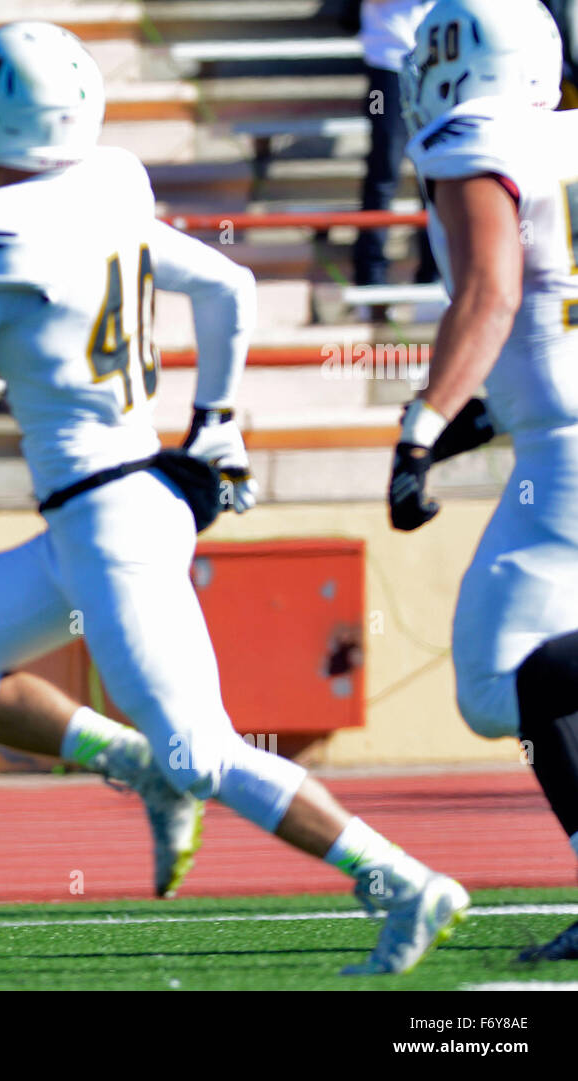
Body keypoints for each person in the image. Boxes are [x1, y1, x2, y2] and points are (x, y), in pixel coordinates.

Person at [0, 21, 469, 973]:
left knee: (207, 754)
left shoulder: (1, 236)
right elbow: (229, 284)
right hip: (103, 515)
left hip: (113, 522)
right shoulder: (109, 192)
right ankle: (136, 768)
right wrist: (217, 420)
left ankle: (404, 882)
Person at [389, 0, 578, 961]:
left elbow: (494, 292)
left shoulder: (474, 133)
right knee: (518, 678)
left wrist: (423, 426)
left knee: (516, 675)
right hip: (554, 441)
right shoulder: (560, 139)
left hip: (567, 455)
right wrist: (471, 422)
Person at [352, 0, 439, 289]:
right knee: (383, 170)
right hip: (388, 63)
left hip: (435, 64)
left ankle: (434, 273)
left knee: (435, 173)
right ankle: (370, 275)